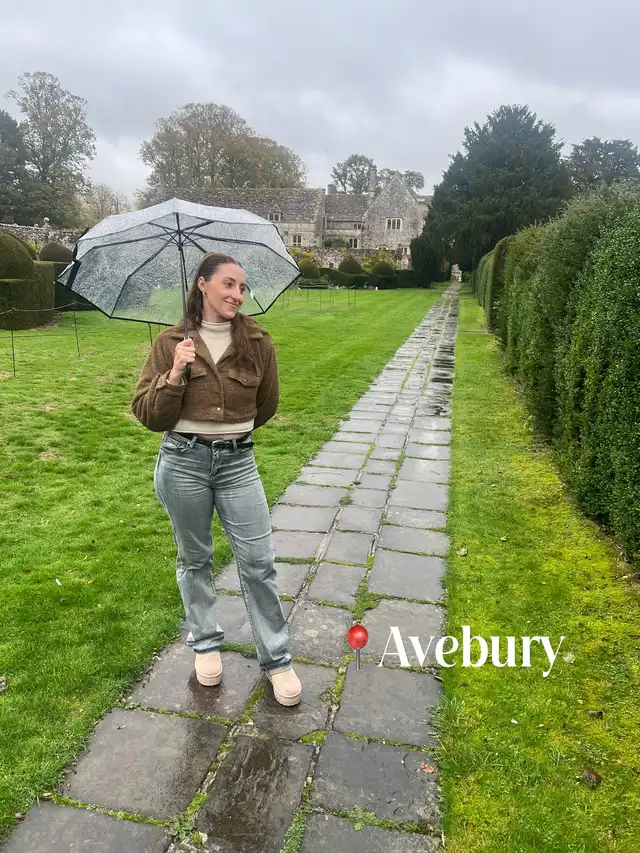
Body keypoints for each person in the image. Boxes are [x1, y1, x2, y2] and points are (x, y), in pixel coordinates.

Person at [131, 252, 301, 707]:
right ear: (202, 284)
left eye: (242, 287)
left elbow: (266, 405)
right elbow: (149, 415)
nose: (237, 294)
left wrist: (229, 432)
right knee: (195, 558)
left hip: (238, 465)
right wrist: (174, 374)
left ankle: (277, 658)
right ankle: (205, 644)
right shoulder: (171, 342)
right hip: (183, 463)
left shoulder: (258, 341)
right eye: (228, 284)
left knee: (259, 561)